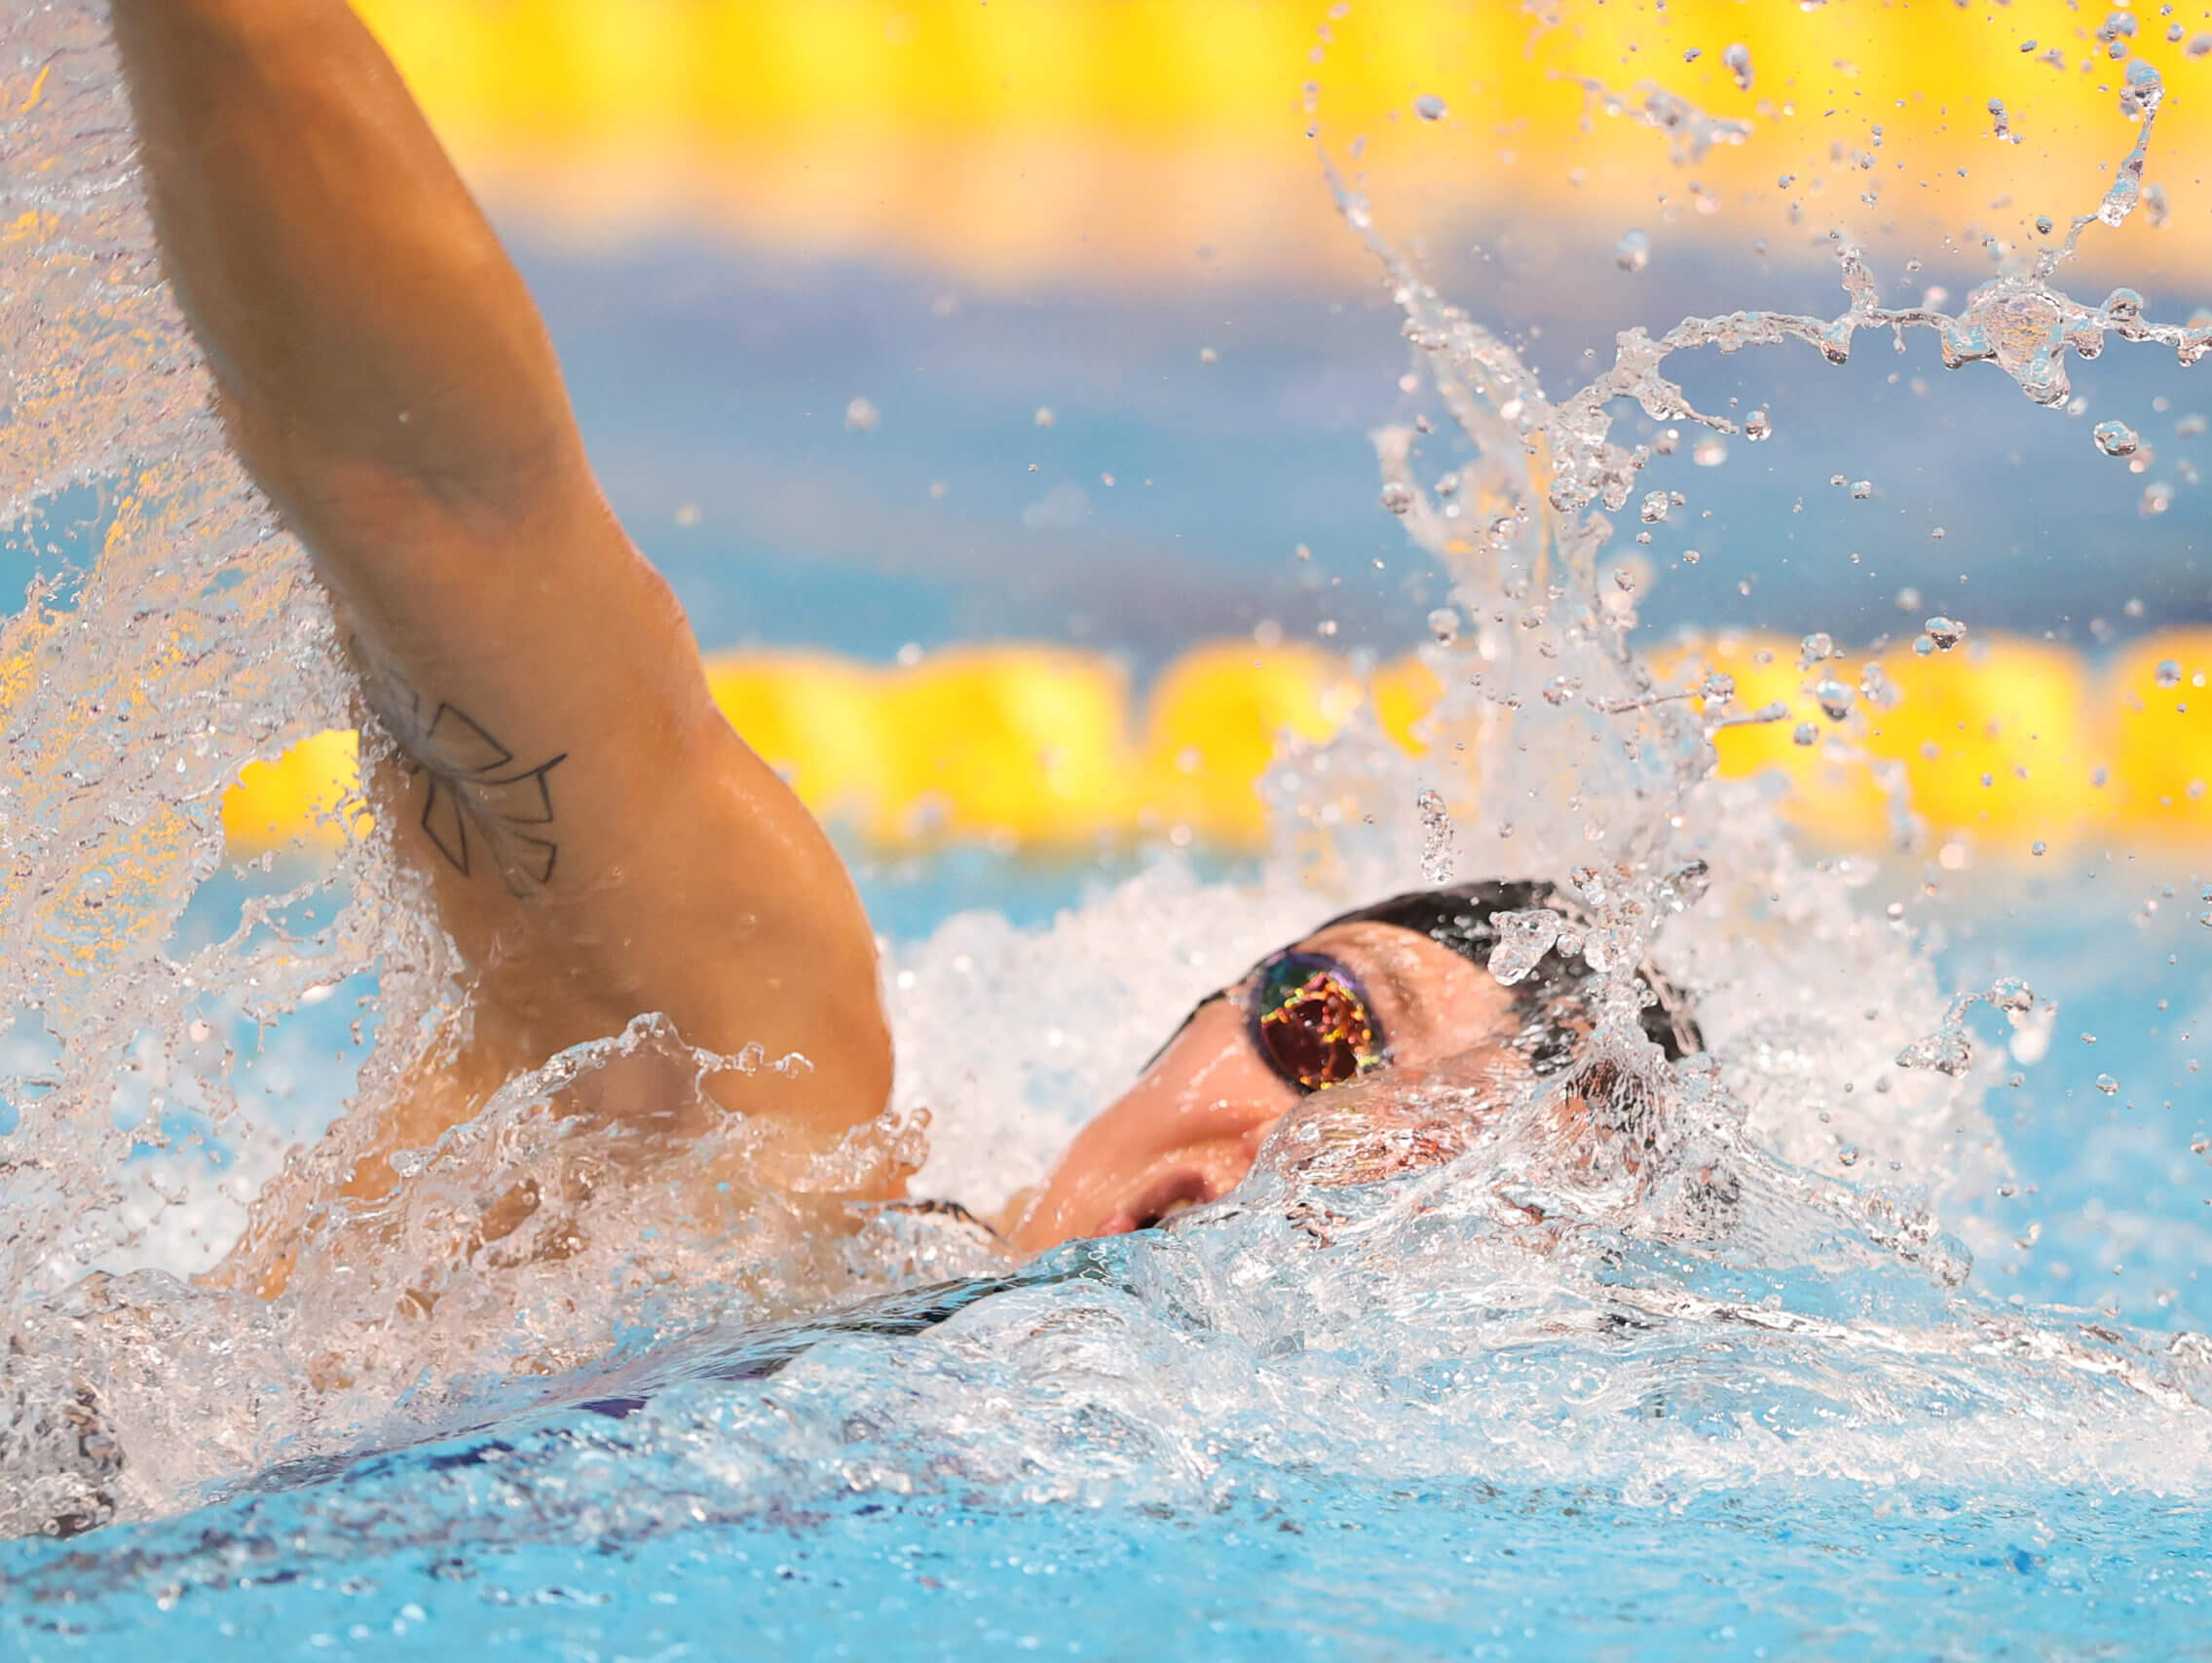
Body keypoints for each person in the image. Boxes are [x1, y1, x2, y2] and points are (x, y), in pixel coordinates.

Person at [111, 0, 1701, 1286]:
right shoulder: (726, 1159)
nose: (1295, 1164)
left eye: (1432, 1211)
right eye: (1325, 1031)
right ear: (1196, 1018)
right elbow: (432, 500)